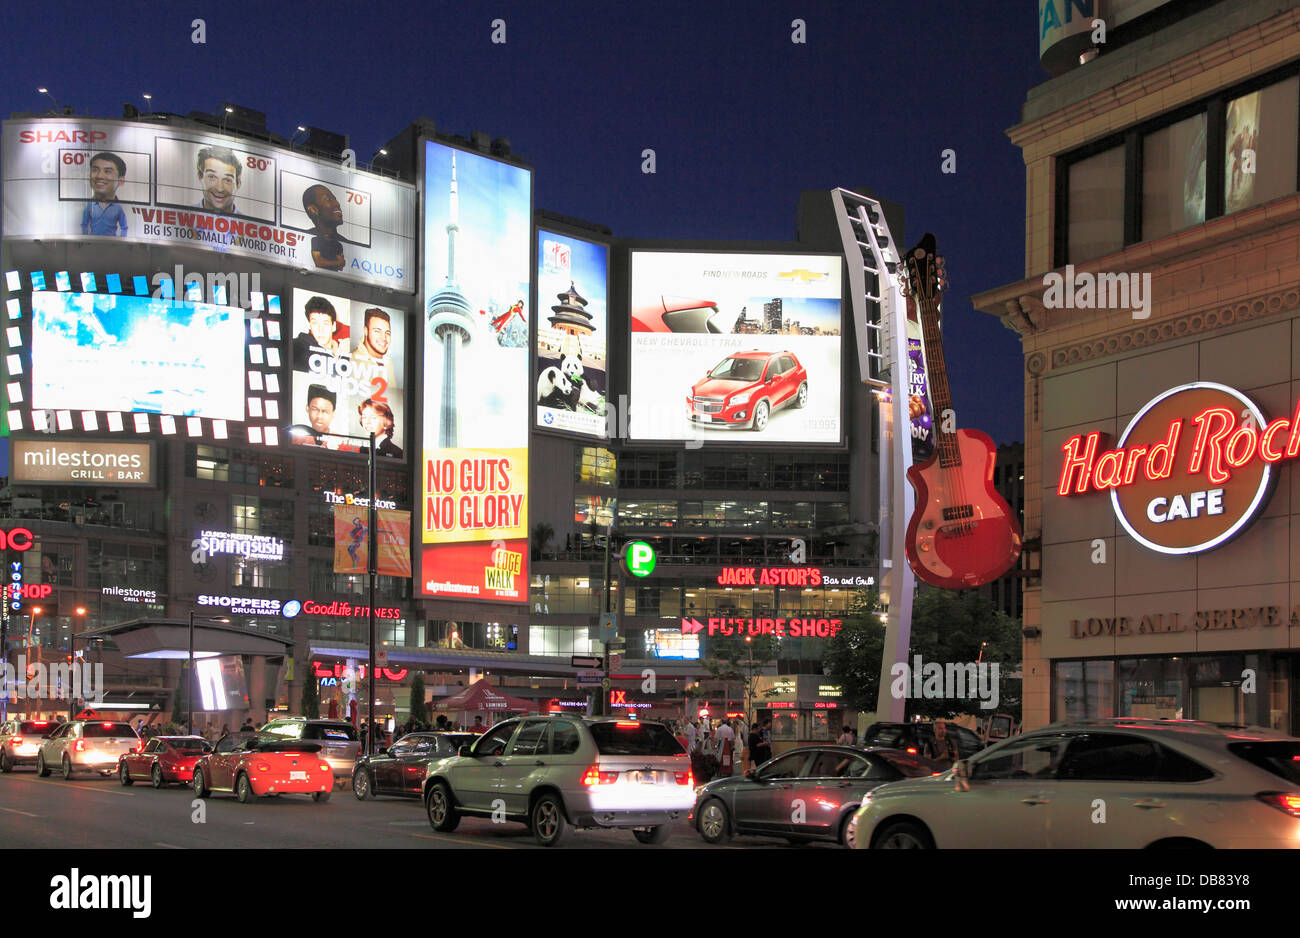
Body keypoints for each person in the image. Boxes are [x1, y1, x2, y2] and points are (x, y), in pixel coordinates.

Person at [81, 152, 128, 237]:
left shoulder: (118, 208)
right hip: (92, 245)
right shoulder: (89, 206)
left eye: (107, 171)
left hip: (113, 246)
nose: (99, 176)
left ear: (121, 181)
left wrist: (121, 243)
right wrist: (86, 240)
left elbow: (124, 227)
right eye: (95, 170)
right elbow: (84, 224)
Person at [302, 183, 349, 271]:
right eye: (328, 199)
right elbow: (318, 262)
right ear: (313, 209)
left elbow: (342, 265)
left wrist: (333, 263)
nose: (337, 203)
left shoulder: (340, 243)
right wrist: (336, 263)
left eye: (335, 199)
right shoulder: (311, 238)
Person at [293, 295, 342, 369]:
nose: (320, 330)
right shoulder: (298, 347)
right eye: (315, 323)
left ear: (333, 326)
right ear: (309, 325)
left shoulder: (344, 350)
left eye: (325, 323)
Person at [349, 308, 394, 384]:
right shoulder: (352, 361)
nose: (384, 338)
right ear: (365, 331)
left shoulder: (388, 361)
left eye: (387, 333)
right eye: (377, 331)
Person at [195, 145, 242, 214]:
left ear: (238, 184)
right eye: (212, 177)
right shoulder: (183, 215)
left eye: (227, 180)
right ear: (200, 177)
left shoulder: (249, 224)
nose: (220, 189)